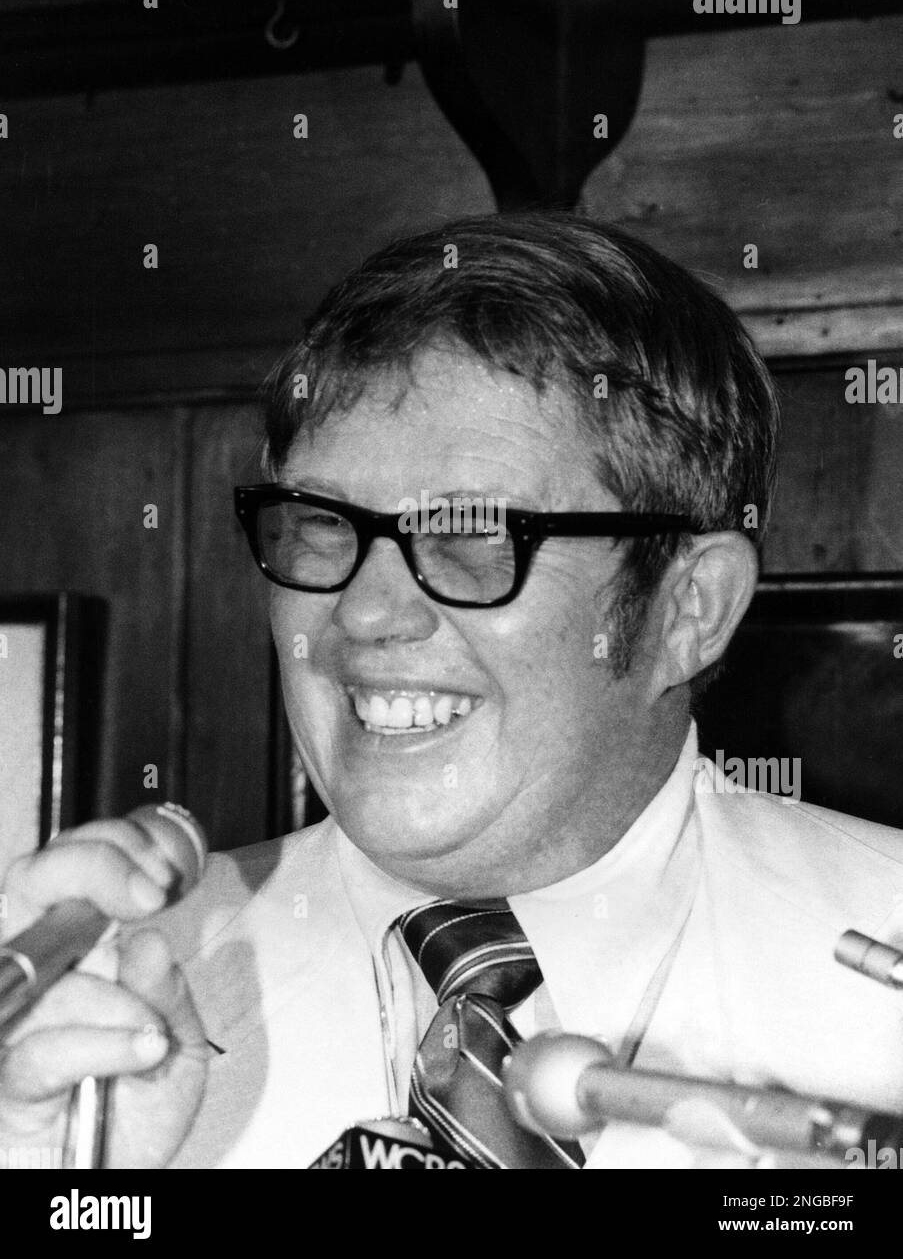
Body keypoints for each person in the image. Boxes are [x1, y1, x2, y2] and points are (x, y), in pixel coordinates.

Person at [2, 212, 902, 1170]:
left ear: (687, 606)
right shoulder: (108, 996)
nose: (362, 613)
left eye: (473, 532)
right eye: (319, 525)